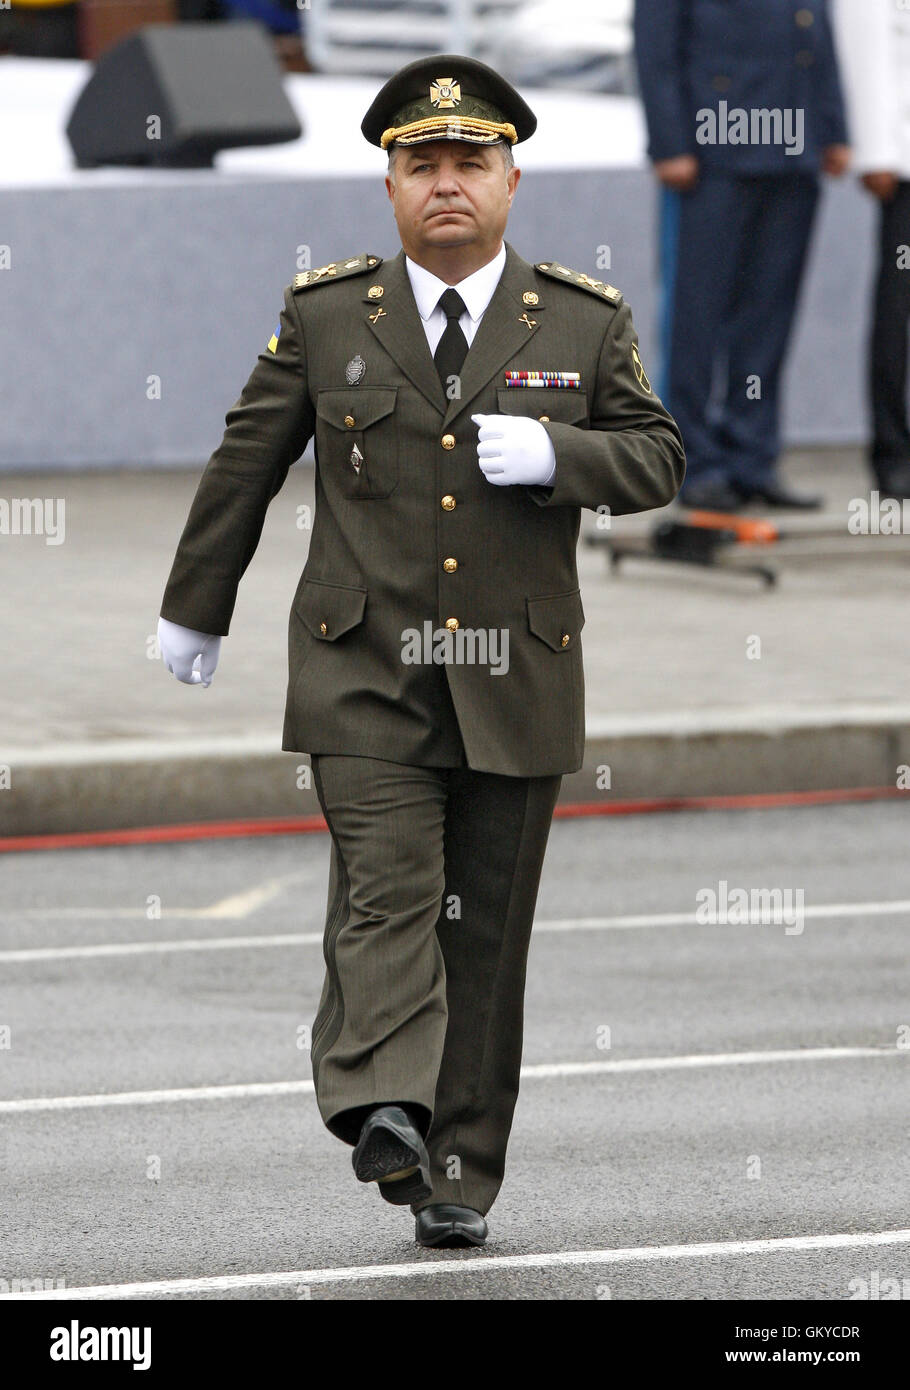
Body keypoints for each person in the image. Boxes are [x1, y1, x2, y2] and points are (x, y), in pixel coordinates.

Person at [158, 53, 685, 1249]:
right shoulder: (328, 312)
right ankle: (382, 1100)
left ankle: (456, 1171)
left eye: (470, 162)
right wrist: (197, 605)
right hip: (362, 671)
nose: (446, 183)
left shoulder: (585, 320)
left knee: (484, 936)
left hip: (518, 676)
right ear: (389, 186)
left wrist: (562, 457)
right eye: (420, 164)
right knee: (389, 891)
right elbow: (247, 462)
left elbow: (657, 457)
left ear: (511, 181)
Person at [634, 0, 850, 512]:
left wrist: (833, 127)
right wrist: (668, 143)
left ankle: (751, 460)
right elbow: (655, 49)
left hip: (793, 152)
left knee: (768, 318)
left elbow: (816, 36)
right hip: (712, 155)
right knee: (697, 317)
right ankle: (693, 462)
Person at [833, 0, 910, 500]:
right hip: (904, 166)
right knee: (896, 313)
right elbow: (869, 40)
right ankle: (893, 454)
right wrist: (876, 150)